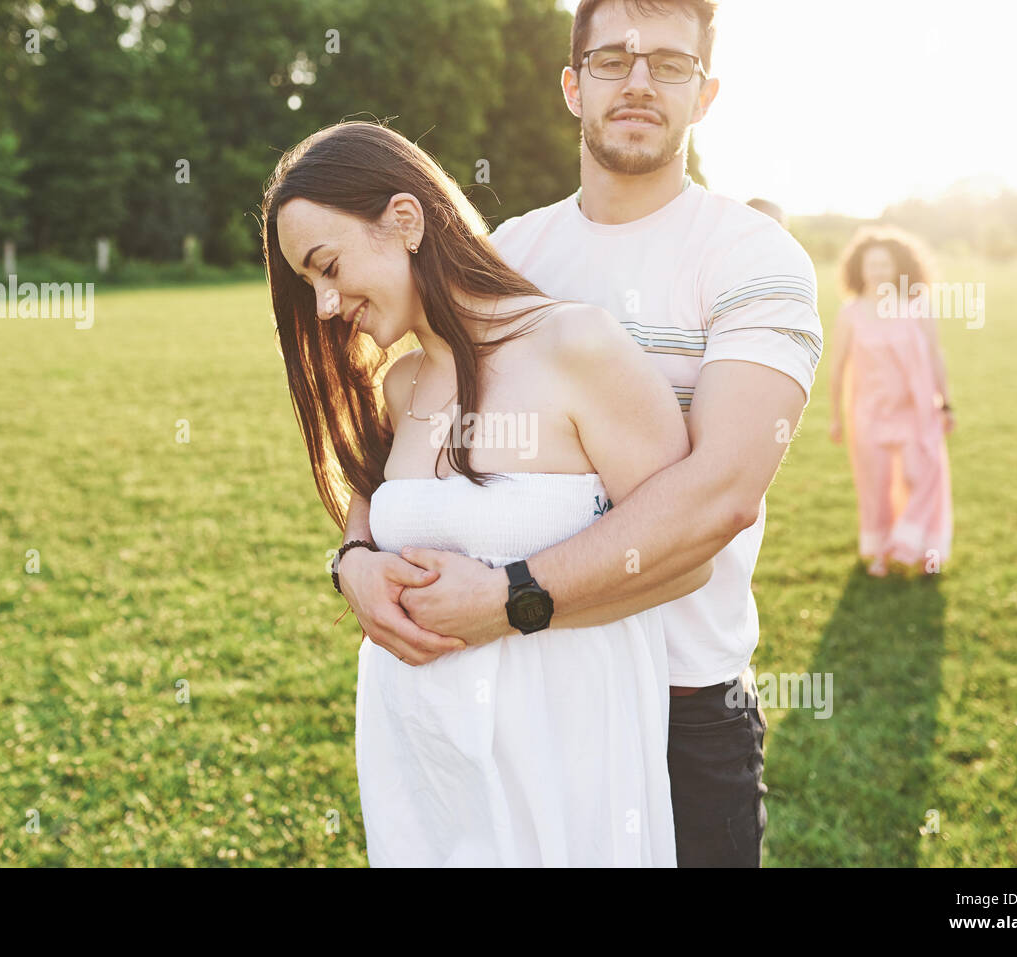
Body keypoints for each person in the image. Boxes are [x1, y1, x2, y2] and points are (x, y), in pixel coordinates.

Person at [338, 0, 824, 867]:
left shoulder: (754, 257)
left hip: (684, 696)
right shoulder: (509, 255)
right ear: (571, 84)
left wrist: (512, 595)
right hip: (528, 693)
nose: (639, 83)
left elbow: (720, 494)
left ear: (705, 94)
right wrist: (354, 555)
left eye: (670, 65)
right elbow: (405, 423)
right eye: (611, 61)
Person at [263, 120, 714, 866]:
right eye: (309, 283)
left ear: (404, 221)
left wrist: (513, 600)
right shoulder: (400, 386)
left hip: (560, 768)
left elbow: (684, 556)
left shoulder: (577, 347)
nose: (325, 304)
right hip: (426, 772)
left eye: (328, 266)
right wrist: (350, 565)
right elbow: (370, 510)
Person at [829, 226, 954, 576]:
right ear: (860, 269)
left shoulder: (916, 305)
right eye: (872, 265)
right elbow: (837, 368)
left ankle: (919, 546)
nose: (879, 271)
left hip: (916, 411)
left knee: (922, 475)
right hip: (868, 412)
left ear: (897, 268)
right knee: (876, 484)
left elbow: (934, 355)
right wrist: (835, 417)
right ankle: (882, 551)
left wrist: (946, 403)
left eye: (885, 264)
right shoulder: (850, 313)